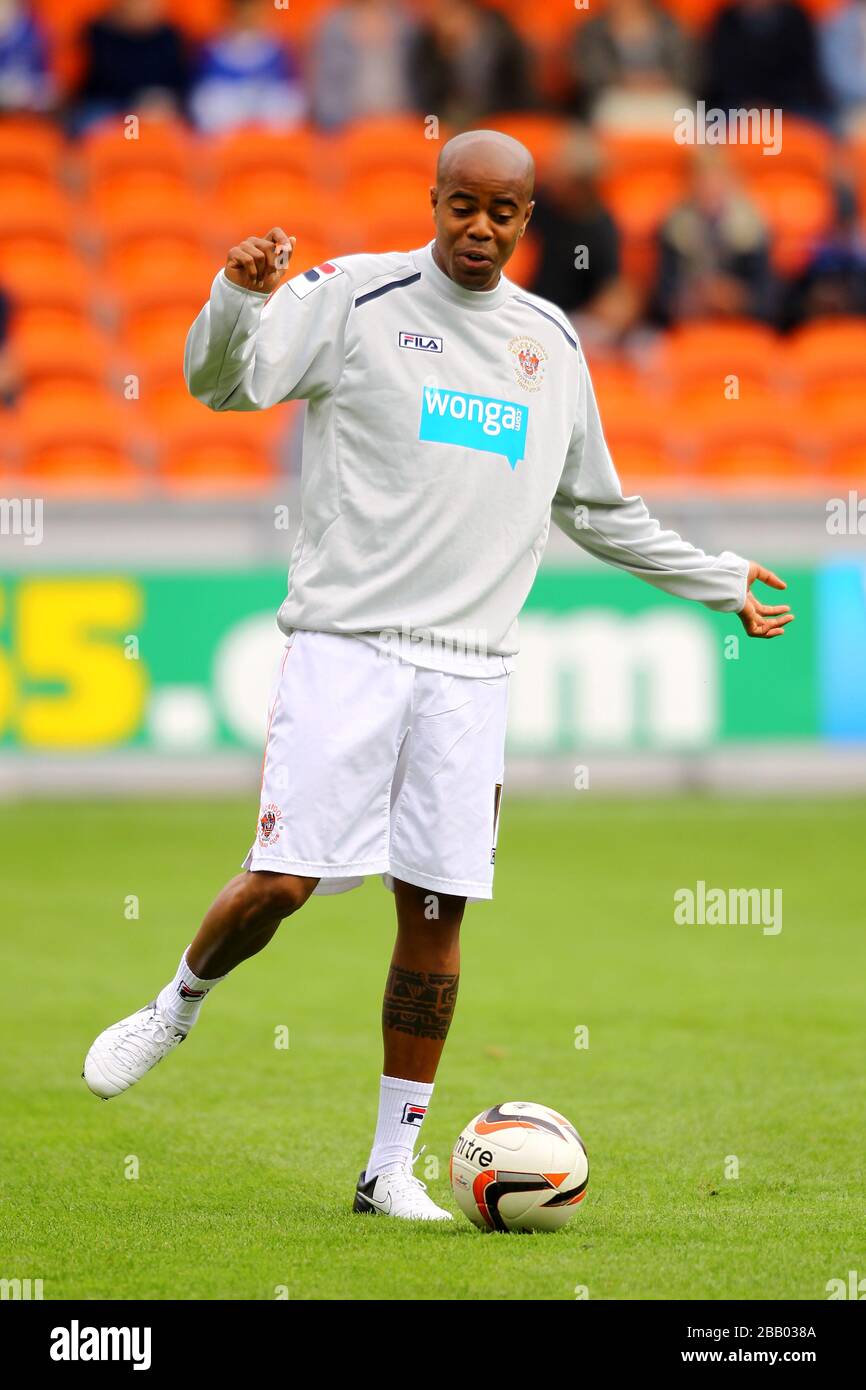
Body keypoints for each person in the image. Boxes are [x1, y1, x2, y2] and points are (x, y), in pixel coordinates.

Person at [83, 130, 794, 1221]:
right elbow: (221, 387)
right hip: (347, 647)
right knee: (284, 879)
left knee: (434, 911)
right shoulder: (352, 300)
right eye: (460, 205)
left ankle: (387, 1167)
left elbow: (596, 509)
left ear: (524, 221)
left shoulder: (547, 344)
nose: (479, 227)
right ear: (433, 200)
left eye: (501, 213)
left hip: (469, 674)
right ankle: (177, 1003)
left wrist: (717, 578)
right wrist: (235, 296)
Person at [651, 150, 773, 325]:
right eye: (701, 181)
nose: (708, 189)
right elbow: (664, 294)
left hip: (742, 321)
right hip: (690, 320)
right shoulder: (674, 226)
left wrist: (735, 298)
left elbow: (767, 296)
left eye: (716, 182)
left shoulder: (752, 225)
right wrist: (694, 297)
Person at [189, 0, 305, 133]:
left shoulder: (280, 50)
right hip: (224, 135)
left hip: (270, 135)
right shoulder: (210, 50)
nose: (249, 16)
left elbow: (293, 101)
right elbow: (202, 103)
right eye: (244, 10)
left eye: (255, 10)